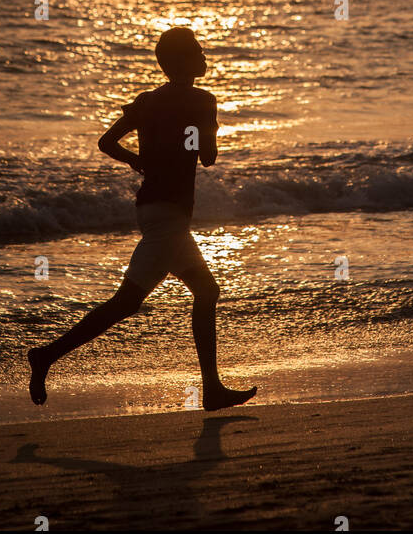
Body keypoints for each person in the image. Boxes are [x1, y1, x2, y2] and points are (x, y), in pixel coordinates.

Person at [28, 26, 256, 412]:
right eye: (197, 51)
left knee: (206, 290)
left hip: (156, 211)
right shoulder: (203, 100)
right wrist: (204, 126)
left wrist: (138, 159)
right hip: (168, 215)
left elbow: (106, 142)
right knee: (127, 303)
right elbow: (208, 157)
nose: (204, 57)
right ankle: (47, 356)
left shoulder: (147, 101)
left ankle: (212, 389)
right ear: (182, 61)